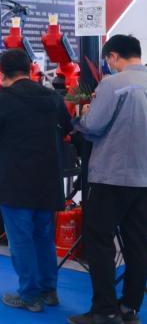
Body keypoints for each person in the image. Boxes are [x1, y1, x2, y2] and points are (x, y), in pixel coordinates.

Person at [0, 49, 72, 313]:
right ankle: (49, 290)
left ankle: (30, 295)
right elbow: (68, 128)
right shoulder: (52, 96)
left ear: (2, 73)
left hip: (15, 181)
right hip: (47, 180)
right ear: (30, 69)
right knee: (43, 237)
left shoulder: (5, 97)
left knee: (21, 240)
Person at [69, 35, 147, 324]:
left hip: (111, 176)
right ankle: (129, 308)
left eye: (108, 60)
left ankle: (104, 310)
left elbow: (93, 125)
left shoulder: (113, 84)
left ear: (114, 57)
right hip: (143, 179)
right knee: (138, 243)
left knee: (99, 241)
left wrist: (82, 115)